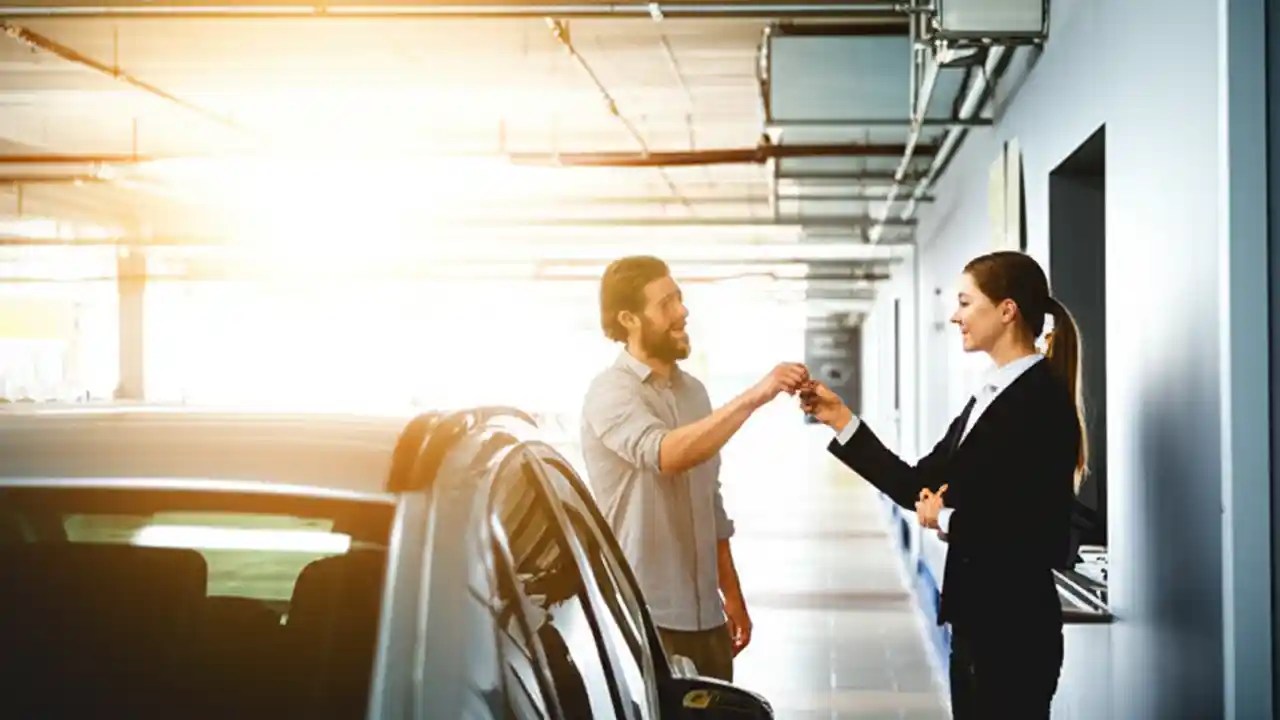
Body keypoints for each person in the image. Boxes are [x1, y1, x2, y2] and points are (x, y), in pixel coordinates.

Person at [800, 251, 1085, 718]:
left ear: (1007, 309)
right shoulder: (990, 395)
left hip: (1014, 631)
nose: (955, 316)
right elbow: (916, 482)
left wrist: (950, 518)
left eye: (965, 302)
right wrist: (840, 419)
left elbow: (1041, 529)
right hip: (978, 624)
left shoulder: (1041, 401)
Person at [581, 255, 808, 682]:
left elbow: (709, 501)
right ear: (629, 318)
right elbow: (665, 454)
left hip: (706, 617)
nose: (682, 312)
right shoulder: (610, 393)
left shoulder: (693, 393)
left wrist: (731, 594)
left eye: (679, 299)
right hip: (646, 617)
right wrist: (755, 396)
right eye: (666, 303)